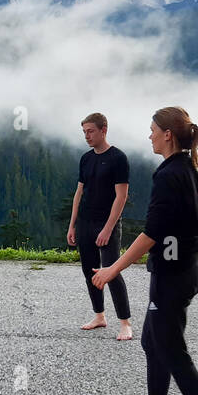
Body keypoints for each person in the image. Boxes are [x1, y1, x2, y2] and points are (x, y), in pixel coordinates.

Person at [91, 107, 198, 395]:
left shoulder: (168, 174)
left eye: (152, 130)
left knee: (172, 348)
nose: (148, 135)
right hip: (188, 267)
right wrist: (190, 250)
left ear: (167, 134)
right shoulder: (193, 167)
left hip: (173, 275)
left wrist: (112, 269)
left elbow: (151, 233)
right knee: (153, 342)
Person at [67, 112, 132, 340]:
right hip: (85, 222)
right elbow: (79, 192)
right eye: (84, 132)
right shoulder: (86, 158)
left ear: (104, 130)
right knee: (90, 270)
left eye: (91, 131)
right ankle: (99, 316)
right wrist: (72, 224)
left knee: (112, 271)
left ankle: (125, 323)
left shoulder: (118, 158)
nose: (87, 136)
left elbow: (121, 196)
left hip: (107, 224)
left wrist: (108, 228)